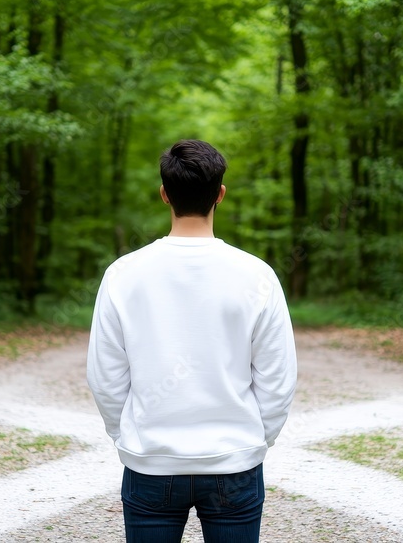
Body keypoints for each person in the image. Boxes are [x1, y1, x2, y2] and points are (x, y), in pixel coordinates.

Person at [86, 138, 298, 543]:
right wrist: (254, 441)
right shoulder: (257, 275)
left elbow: (105, 377)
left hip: (150, 463)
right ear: (220, 194)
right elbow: (278, 379)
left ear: (164, 193)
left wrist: (129, 436)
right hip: (234, 465)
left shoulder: (123, 274)